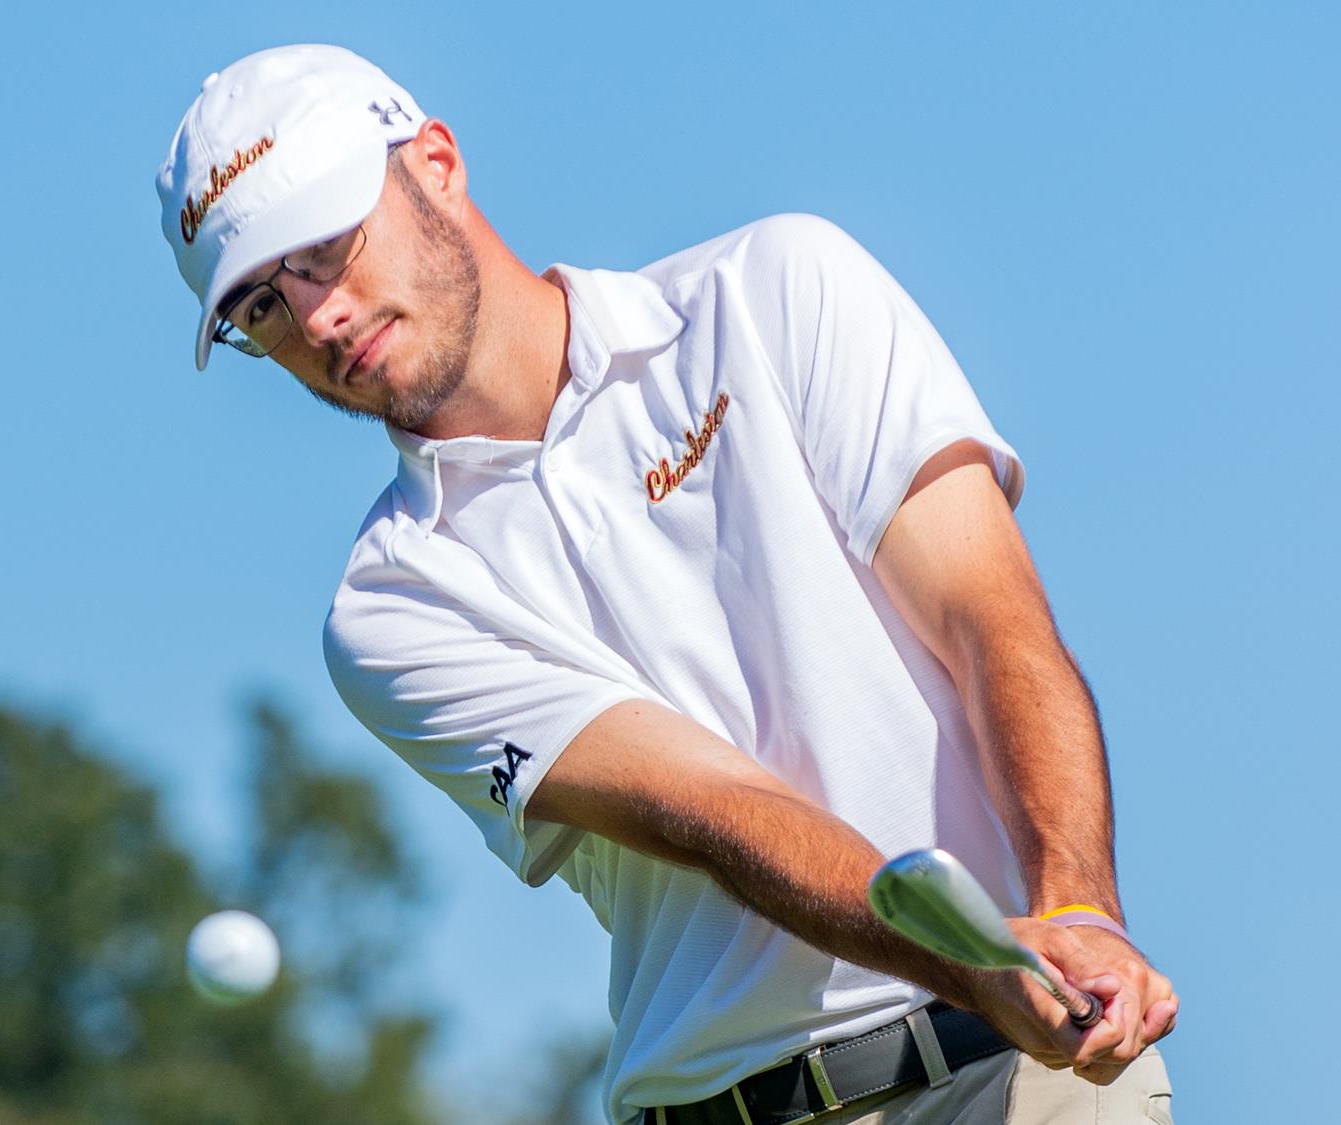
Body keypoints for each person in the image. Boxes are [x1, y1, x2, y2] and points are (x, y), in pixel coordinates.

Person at [156, 43, 1178, 1125]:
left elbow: (990, 620)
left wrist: (1078, 909)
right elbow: (715, 809)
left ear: (437, 164)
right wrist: (965, 961)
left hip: (1020, 1082)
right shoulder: (389, 607)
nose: (315, 318)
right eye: (259, 308)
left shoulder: (776, 288)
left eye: (323, 248)